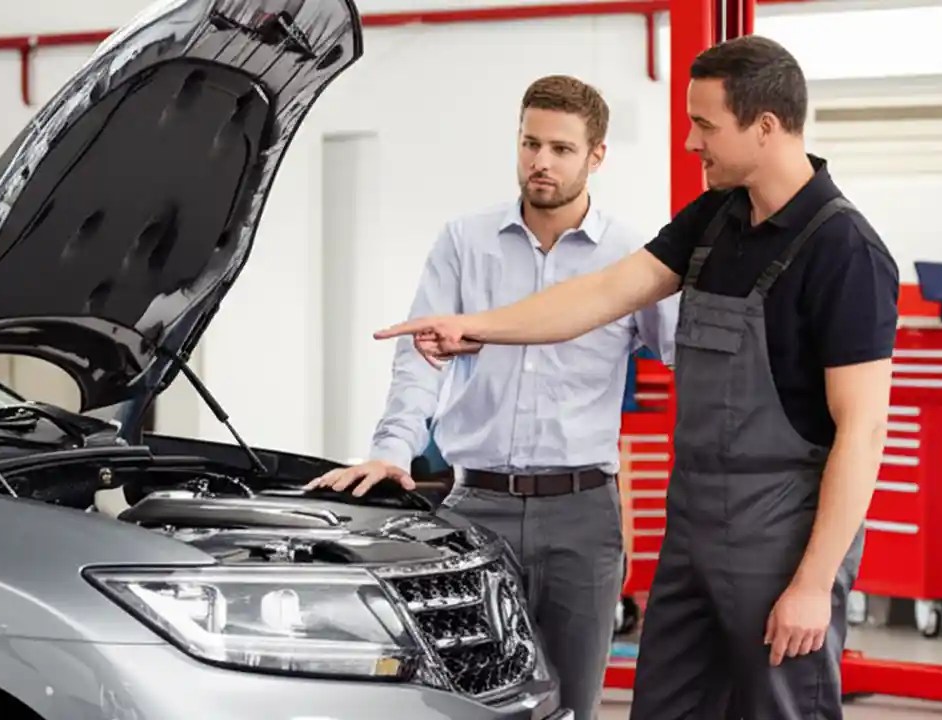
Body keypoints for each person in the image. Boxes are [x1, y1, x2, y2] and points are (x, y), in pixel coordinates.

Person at [371, 36, 899, 720]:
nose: (690, 141)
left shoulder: (845, 251)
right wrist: (473, 328)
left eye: (705, 125)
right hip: (694, 524)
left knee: (781, 708)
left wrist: (813, 583)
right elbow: (600, 294)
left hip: (780, 532)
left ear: (765, 127)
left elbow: (864, 430)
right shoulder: (716, 219)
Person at [307, 74, 677, 719]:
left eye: (561, 149)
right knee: (463, 700)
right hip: (476, 506)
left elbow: (685, 355)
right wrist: (393, 449)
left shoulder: (630, 257)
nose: (540, 161)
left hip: (581, 514)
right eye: (530, 143)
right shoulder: (465, 241)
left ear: (596, 156)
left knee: (572, 704)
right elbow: (419, 358)